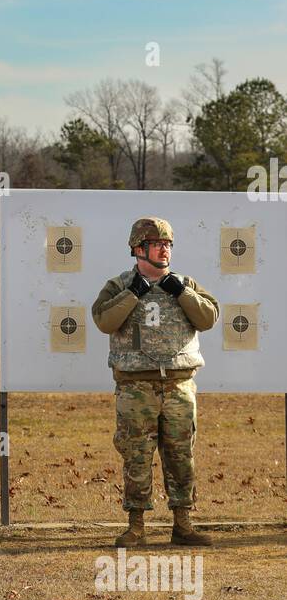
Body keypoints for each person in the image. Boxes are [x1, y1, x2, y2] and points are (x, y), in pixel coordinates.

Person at [91, 217, 219, 548]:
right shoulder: (119, 286)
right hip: (136, 388)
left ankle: (183, 524)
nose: (165, 250)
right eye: (157, 244)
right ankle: (136, 526)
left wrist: (182, 292)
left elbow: (208, 317)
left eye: (168, 244)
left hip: (178, 386)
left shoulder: (185, 283)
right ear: (138, 249)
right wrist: (134, 293)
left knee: (181, 456)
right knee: (136, 455)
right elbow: (104, 320)